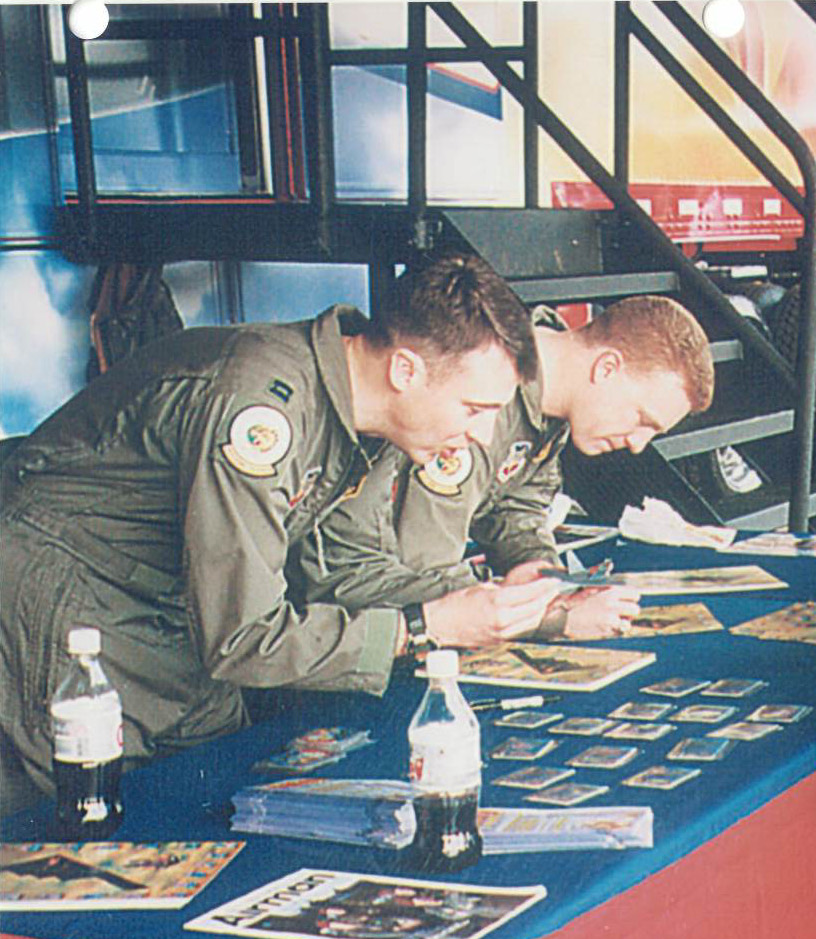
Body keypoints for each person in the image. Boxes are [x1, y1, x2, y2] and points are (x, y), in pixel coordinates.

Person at [0, 252, 562, 805]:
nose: (483, 435)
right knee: (102, 818)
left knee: (222, 796)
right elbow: (242, 638)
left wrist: (482, 604)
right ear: (405, 371)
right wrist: (421, 627)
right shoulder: (259, 409)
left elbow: (346, 571)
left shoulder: (377, 420)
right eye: (474, 408)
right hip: (70, 593)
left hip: (173, 608)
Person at [294, 294, 714, 644]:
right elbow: (420, 571)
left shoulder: (550, 403)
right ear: (606, 368)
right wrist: (549, 619)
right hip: (333, 627)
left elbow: (517, 505)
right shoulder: (479, 383)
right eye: (642, 419)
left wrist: (537, 567)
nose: (638, 444)